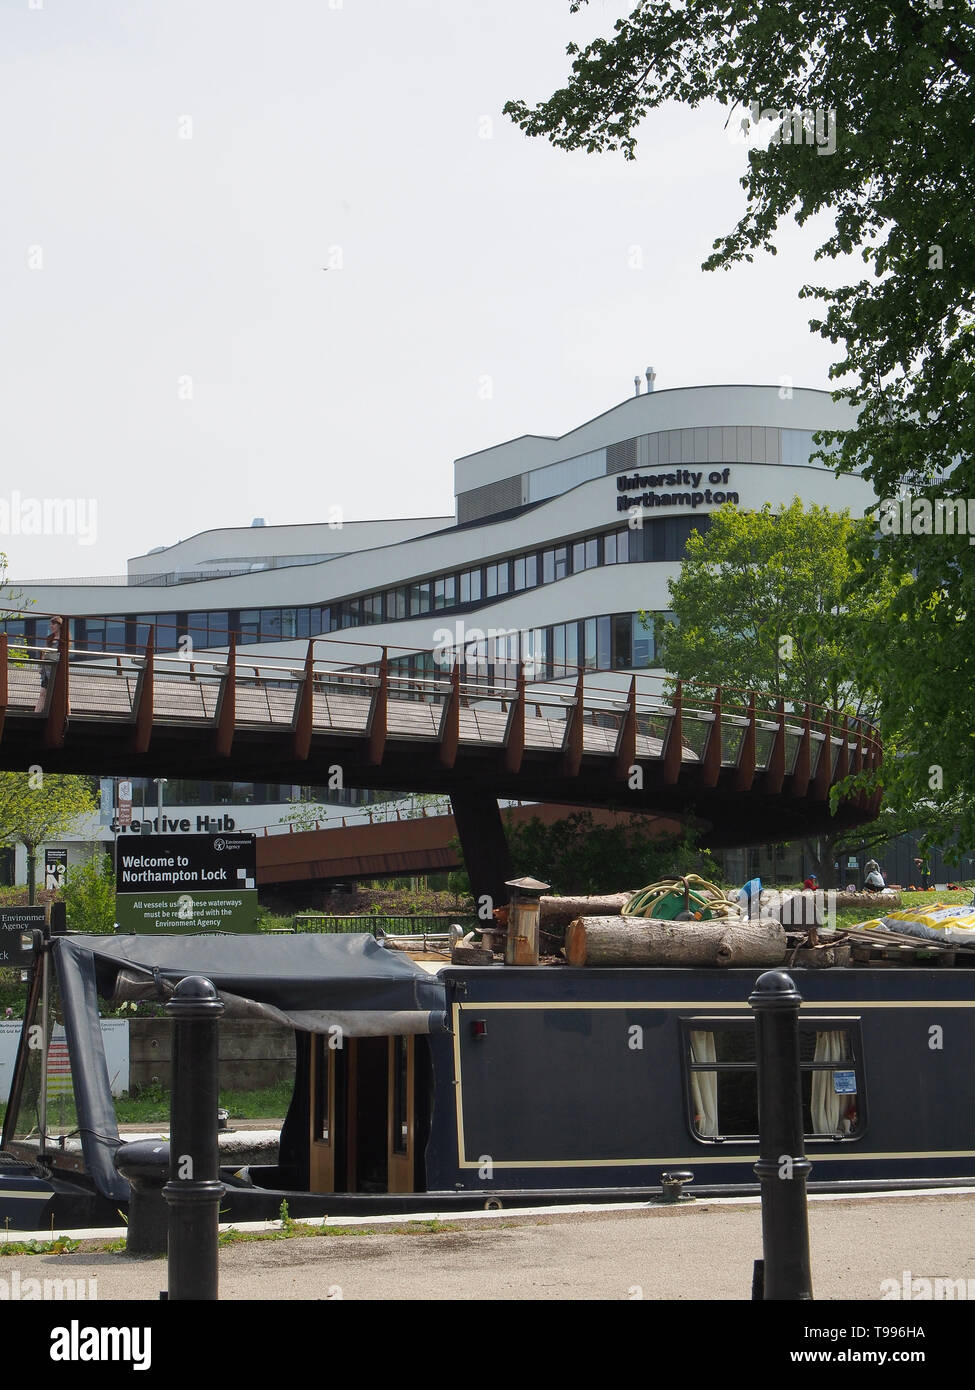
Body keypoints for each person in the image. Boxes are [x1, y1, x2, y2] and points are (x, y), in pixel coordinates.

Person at [34, 615, 64, 712]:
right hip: (47, 671)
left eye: (53, 624)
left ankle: (67, 714)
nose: (51, 626)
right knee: (42, 693)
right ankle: (36, 714)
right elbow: (45, 653)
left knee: (62, 694)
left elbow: (61, 655)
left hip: (56, 671)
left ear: (59, 625)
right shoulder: (50, 638)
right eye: (51, 624)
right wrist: (41, 667)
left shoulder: (63, 640)